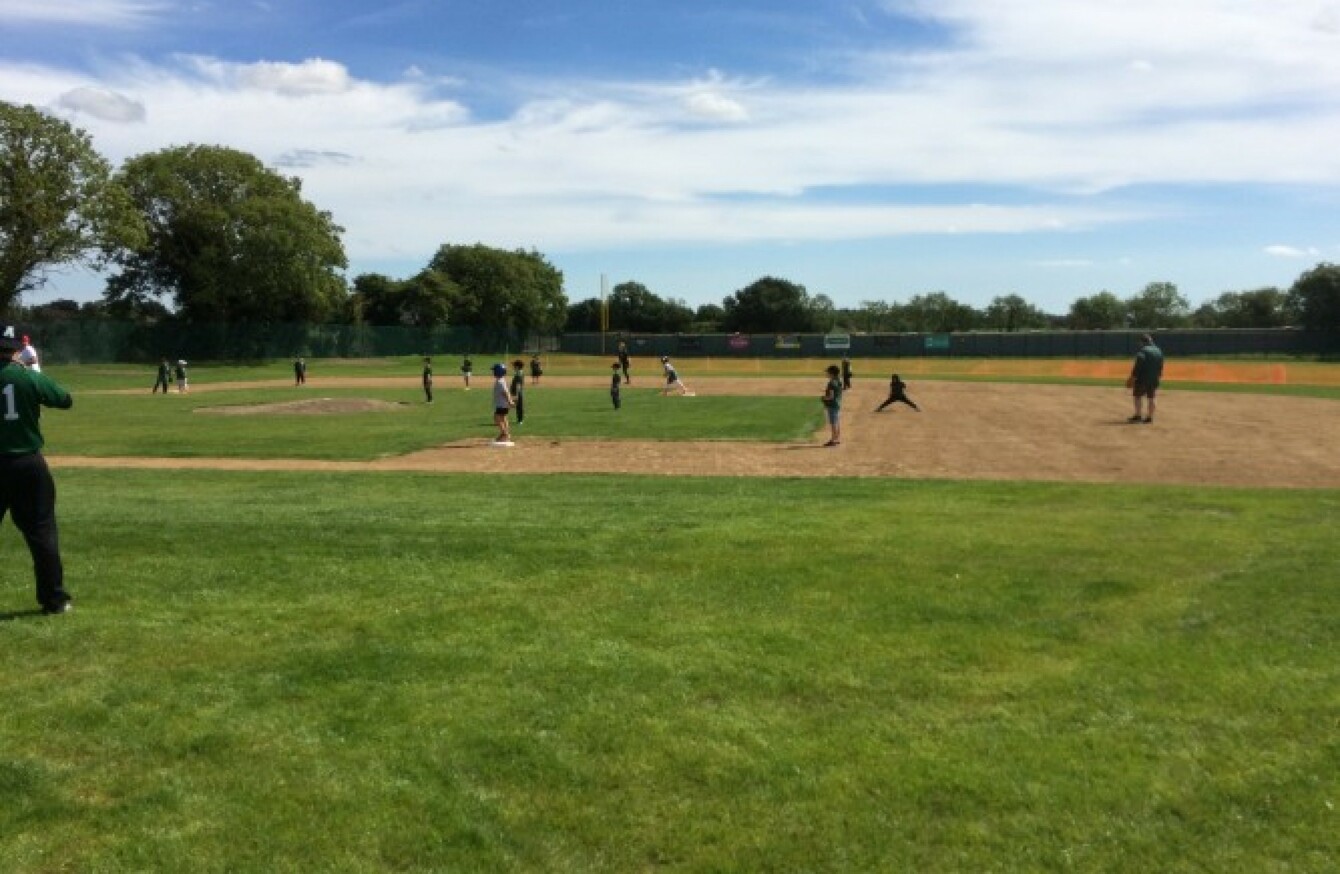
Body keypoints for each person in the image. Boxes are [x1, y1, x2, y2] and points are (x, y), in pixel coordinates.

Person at [0, 325, 74, 614]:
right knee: (42, 532)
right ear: (18, 348)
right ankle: (54, 600)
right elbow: (64, 399)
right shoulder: (27, 377)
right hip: (27, 463)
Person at [1127, 333, 1164, 424]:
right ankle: (1149, 418)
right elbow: (1160, 366)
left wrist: (1132, 377)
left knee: (1137, 396)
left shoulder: (1143, 351)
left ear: (1142, 342)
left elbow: (1138, 365)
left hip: (1142, 378)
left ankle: (1138, 416)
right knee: (1151, 398)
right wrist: (1158, 375)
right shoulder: (1159, 351)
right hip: (1154, 378)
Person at [490, 363, 515, 445]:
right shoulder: (501, 380)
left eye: (494, 371)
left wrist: (510, 401)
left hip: (501, 404)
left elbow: (505, 392)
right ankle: (505, 434)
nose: (493, 372)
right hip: (503, 404)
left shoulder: (500, 382)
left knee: (497, 418)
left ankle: (505, 434)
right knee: (503, 418)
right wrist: (510, 401)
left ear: (498, 372)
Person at [821, 364, 843, 447]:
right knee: (837, 422)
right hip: (837, 404)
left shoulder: (831, 383)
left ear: (832, 373)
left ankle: (833, 440)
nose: (826, 373)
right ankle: (837, 438)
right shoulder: (838, 381)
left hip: (832, 405)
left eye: (828, 372)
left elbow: (830, 396)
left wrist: (823, 398)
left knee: (833, 423)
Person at [510, 359, 526, 426]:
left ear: (517, 366)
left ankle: (520, 420)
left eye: (514, 365)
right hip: (516, 392)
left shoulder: (519, 374)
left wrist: (516, 395)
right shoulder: (518, 372)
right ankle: (519, 419)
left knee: (519, 406)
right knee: (517, 406)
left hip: (517, 393)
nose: (513, 367)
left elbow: (518, 385)